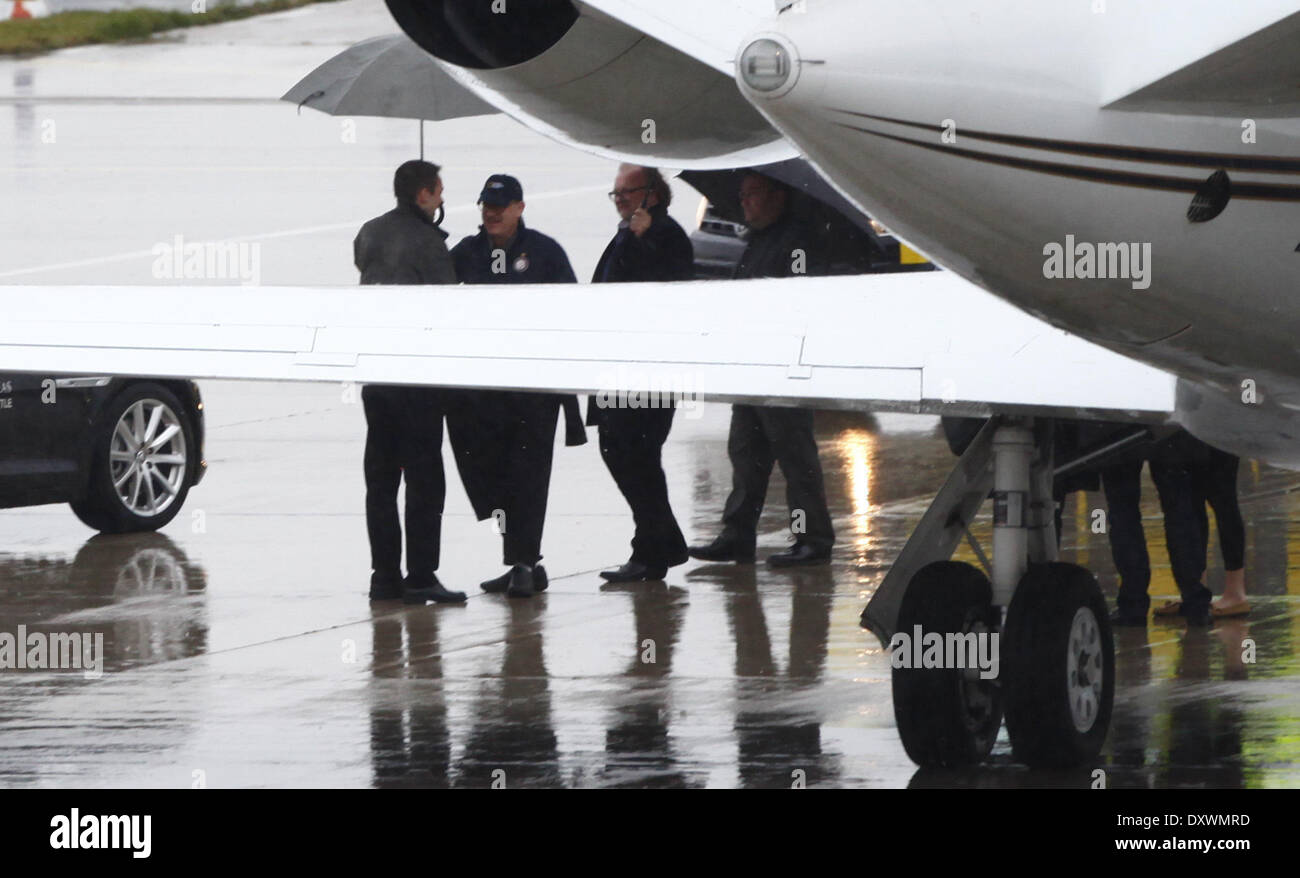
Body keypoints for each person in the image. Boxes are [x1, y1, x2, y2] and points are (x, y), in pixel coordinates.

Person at [448, 174, 586, 598]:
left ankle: (524, 562)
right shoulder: (466, 254)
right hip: (479, 395)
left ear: (520, 208)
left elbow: (573, 312)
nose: (491, 212)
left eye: (500, 205)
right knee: (487, 474)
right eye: (486, 205)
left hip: (532, 391)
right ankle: (519, 558)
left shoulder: (544, 253)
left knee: (527, 476)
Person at [688, 172, 836, 567]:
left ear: (776, 196)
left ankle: (813, 538)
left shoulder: (798, 242)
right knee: (745, 456)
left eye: (751, 194)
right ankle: (737, 534)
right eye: (742, 196)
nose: (745, 203)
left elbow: (800, 305)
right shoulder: (756, 242)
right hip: (751, 369)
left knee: (795, 457)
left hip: (782, 369)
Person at [353, 160, 465, 604]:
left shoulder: (370, 231)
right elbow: (447, 305)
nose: (442, 197)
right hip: (416, 378)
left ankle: (384, 576)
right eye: (438, 190)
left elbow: (364, 260)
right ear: (423, 194)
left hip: (377, 377)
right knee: (424, 479)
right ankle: (420, 575)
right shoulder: (430, 244)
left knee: (380, 480)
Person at [589, 165, 693, 582]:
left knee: (637, 456)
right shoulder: (625, 232)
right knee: (620, 452)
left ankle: (653, 549)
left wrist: (643, 239)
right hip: (617, 367)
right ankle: (659, 542)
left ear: (652, 193)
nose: (620, 200)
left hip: (648, 373)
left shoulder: (665, 235)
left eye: (627, 192)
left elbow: (668, 291)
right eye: (615, 194)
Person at [1104, 429, 1214, 627]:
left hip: (1118, 424)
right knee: (1180, 506)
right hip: (1168, 423)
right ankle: (1194, 598)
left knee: (1122, 512)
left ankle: (1133, 602)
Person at [1152, 440, 1249, 618]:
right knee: (1196, 504)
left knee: (1223, 501)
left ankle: (1235, 592)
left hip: (1216, 427)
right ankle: (1196, 588)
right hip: (1202, 429)